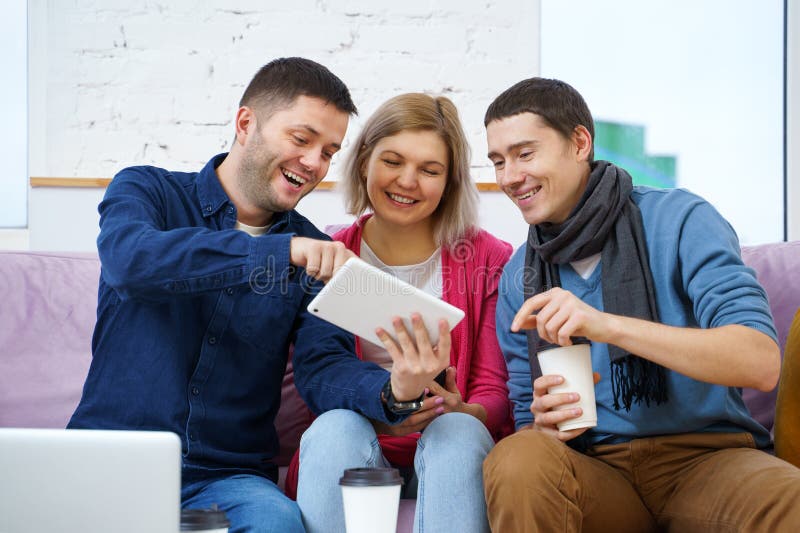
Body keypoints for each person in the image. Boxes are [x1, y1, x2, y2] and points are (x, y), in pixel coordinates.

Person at [67, 58, 454, 533]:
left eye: (329, 151)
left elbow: (322, 368)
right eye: (301, 139)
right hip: (111, 461)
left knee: (277, 521)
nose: (314, 163)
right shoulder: (149, 190)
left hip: (226, 480)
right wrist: (277, 251)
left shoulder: (314, 252)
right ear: (246, 124)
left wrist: (395, 390)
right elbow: (132, 261)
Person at [481, 77, 800, 532]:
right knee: (517, 459)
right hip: (596, 472)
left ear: (579, 143)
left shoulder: (681, 220)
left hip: (709, 459)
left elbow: (759, 361)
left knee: (791, 500)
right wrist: (545, 426)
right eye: (498, 161)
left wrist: (607, 325)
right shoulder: (520, 276)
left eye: (525, 154)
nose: (510, 176)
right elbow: (524, 423)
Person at [293, 93, 513, 533]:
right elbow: (320, 376)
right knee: (334, 427)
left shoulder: (490, 259)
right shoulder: (330, 256)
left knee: (459, 432)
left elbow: (493, 386)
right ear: (363, 164)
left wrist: (464, 410)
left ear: (449, 183)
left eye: (430, 170)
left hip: (449, 443)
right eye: (392, 161)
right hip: (362, 437)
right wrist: (392, 402)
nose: (408, 181)